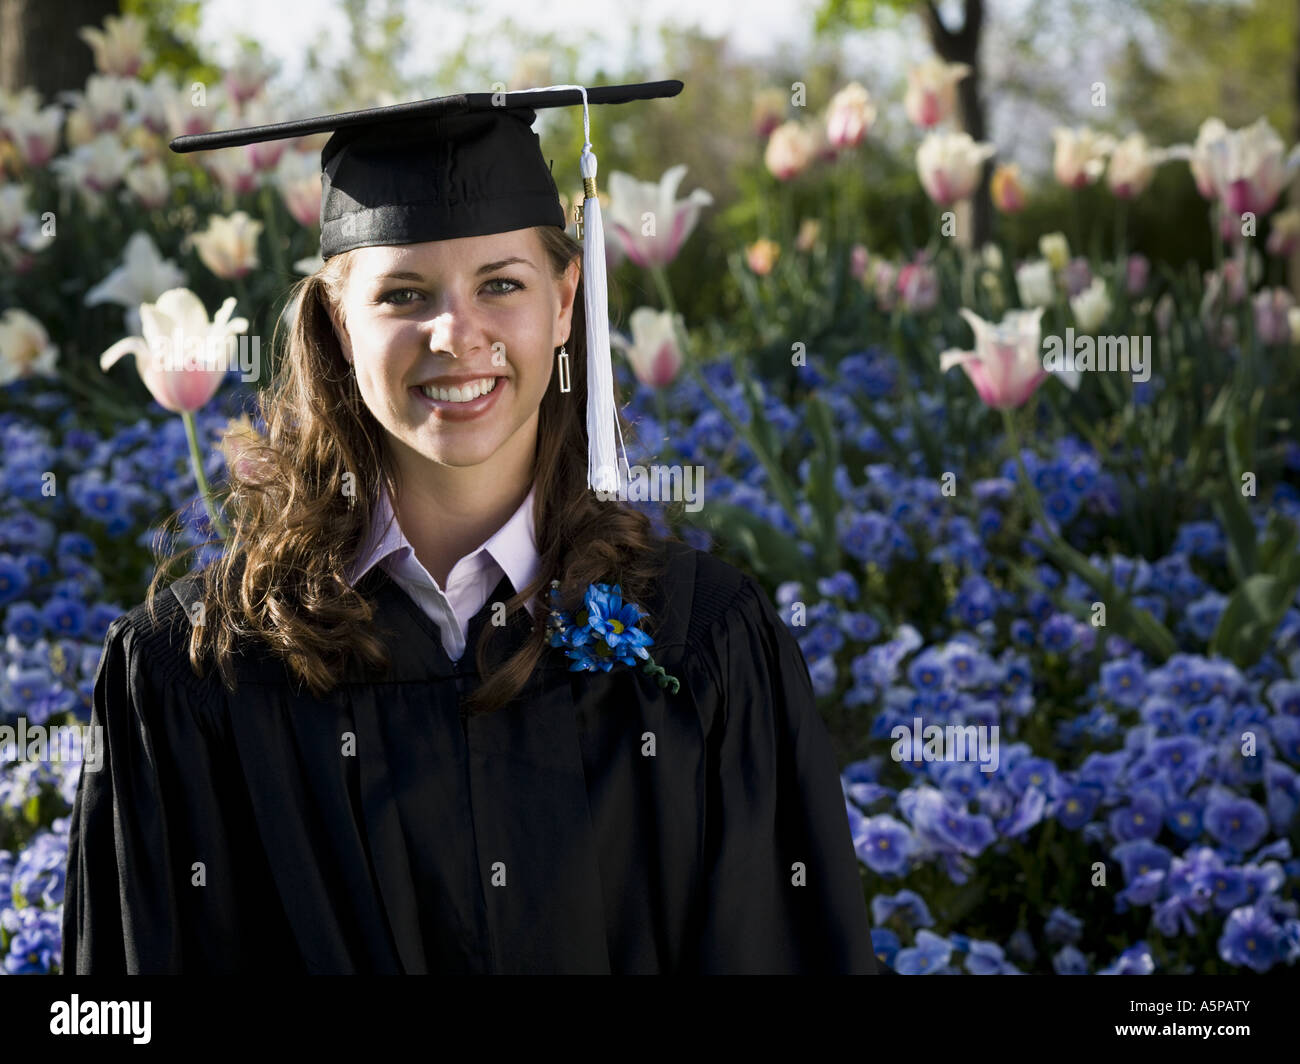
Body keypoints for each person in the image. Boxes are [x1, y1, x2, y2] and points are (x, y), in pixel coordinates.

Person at [60, 82, 884, 974]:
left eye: (502, 283)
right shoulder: (198, 672)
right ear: (337, 325)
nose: (456, 334)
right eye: (403, 294)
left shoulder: (702, 638)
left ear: (566, 302)